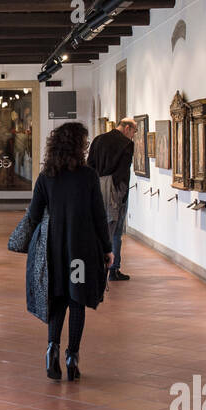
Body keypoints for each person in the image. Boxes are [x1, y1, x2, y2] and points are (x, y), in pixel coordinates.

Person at [22, 122, 112, 382]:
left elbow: (34, 214)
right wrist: (108, 249)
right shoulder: (88, 176)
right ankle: (72, 356)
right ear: (79, 146)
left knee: (58, 298)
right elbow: (99, 216)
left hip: (53, 251)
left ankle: (52, 349)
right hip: (80, 252)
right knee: (77, 300)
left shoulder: (46, 176)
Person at [87, 116, 136, 281]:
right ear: (127, 128)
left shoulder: (99, 139)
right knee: (115, 230)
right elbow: (123, 172)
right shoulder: (126, 144)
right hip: (114, 189)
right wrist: (120, 193)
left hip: (96, 187)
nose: (134, 135)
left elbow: (90, 164)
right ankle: (113, 268)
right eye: (134, 131)